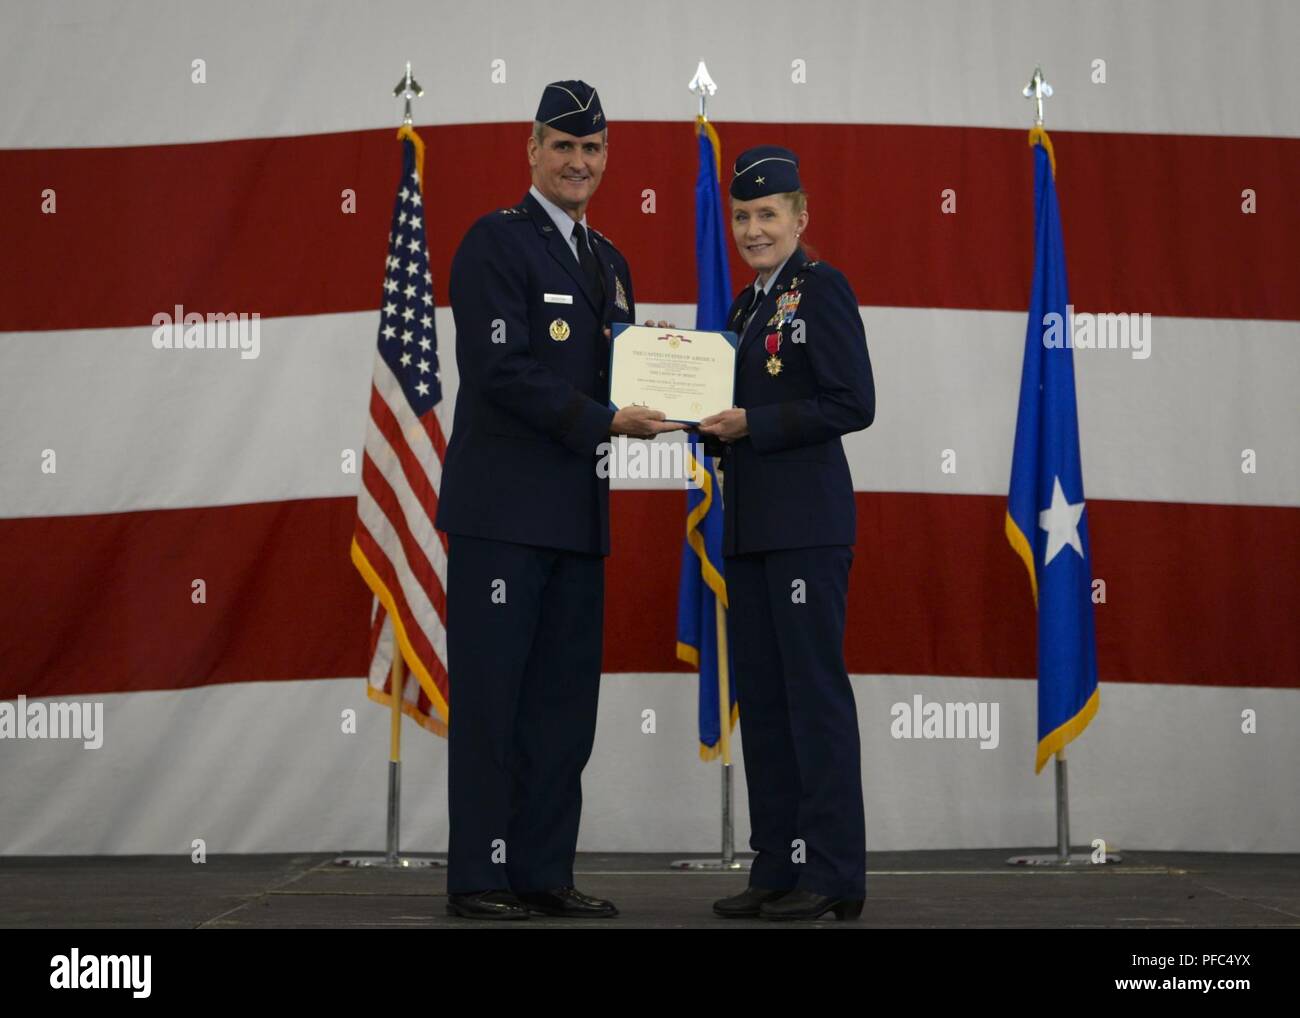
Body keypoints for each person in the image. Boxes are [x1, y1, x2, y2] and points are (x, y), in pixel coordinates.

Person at [436, 80, 681, 920]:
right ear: (532, 151)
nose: (579, 162)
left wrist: (684, 398)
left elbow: (626, 371)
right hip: (500, 520)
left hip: (578, 520)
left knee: (562, 709)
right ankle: (480, 874)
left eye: (593, 148)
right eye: (563, 146)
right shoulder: (494, 245)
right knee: (493, 703)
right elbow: (502, 373)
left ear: (607, 157)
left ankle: (543, 871)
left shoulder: (609, 263)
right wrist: (608, 417)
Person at [698, 145, 876, 921]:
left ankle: (834, 873)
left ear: (800, 218)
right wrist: (699, 422)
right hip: (752, 530)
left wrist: (754, 424)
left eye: (768, 214)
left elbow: (853, 403)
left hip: (806, 528)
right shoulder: (744, 308)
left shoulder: (823, 289)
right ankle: (779, 862)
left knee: (813, 699)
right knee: (764, 703)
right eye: (742, 216)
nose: (753, 228)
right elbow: (735, 417)